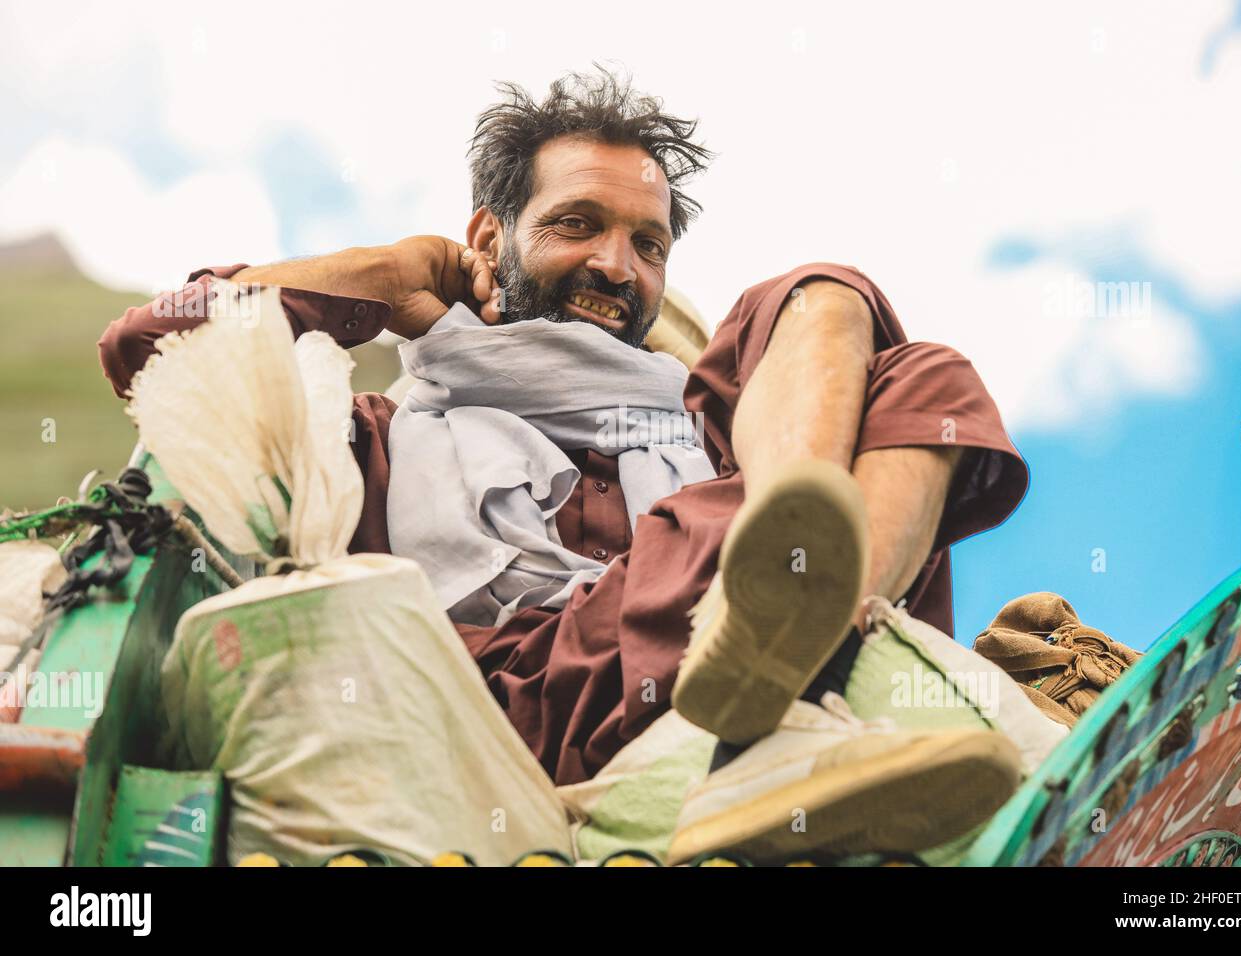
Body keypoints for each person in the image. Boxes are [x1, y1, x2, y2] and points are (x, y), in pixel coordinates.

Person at [98, 67, 1030, 862]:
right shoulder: (371, 439)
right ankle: (769, 711)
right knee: (716, 518)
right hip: (522, 710)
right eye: (578, 224)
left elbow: (853, 404)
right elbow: (153, 347)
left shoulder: (712, 438)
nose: (618, 266)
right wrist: (386, 274)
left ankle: (787, 653)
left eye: (648, 244)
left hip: (724, 650)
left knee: (867, 328)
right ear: (489, 238)